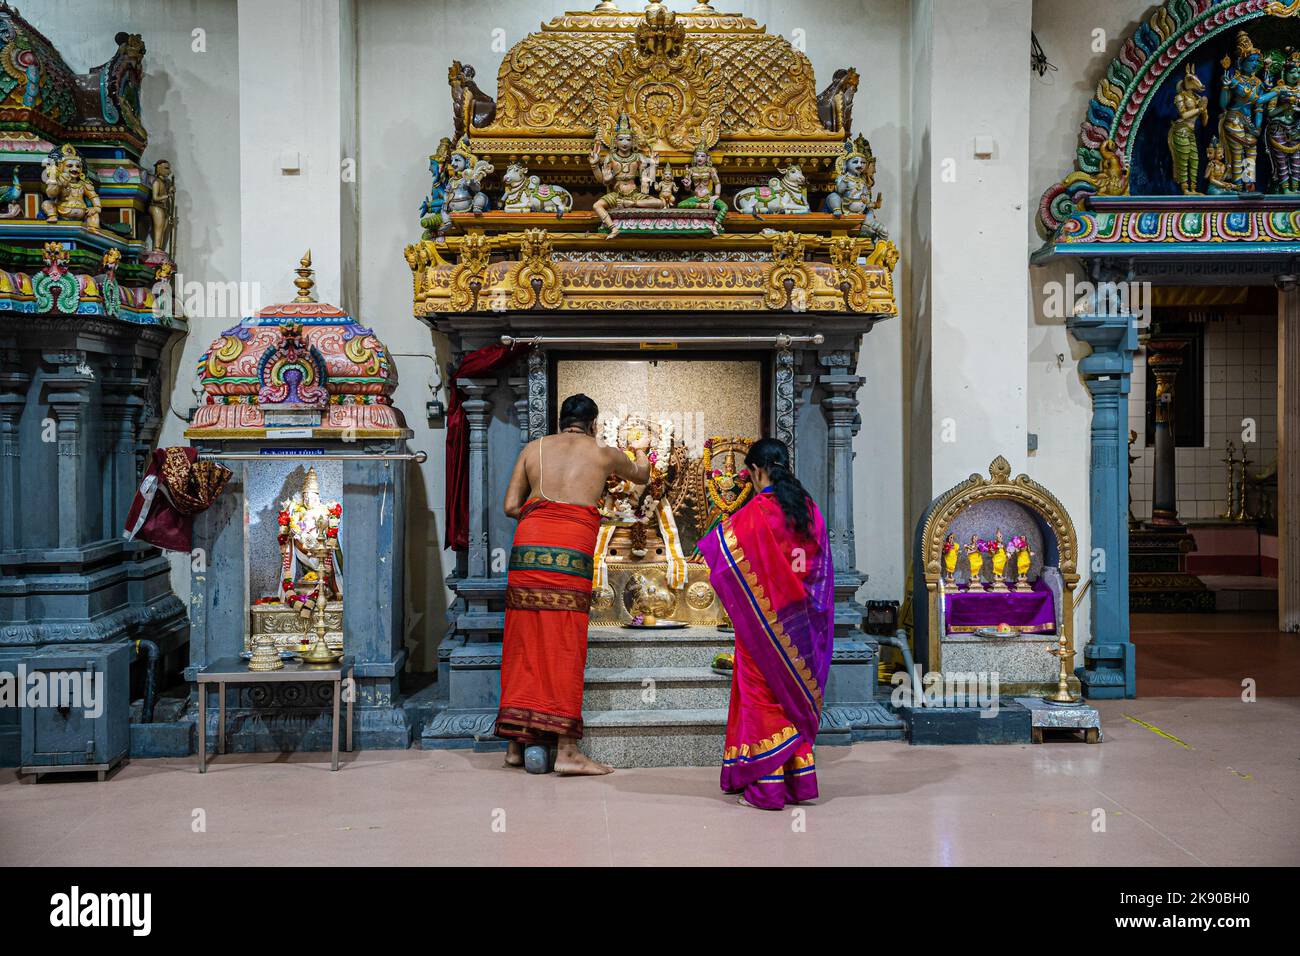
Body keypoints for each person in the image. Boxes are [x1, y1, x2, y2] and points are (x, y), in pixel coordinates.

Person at [497, 393, 651, 775]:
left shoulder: (534, 448)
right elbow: (642, 475)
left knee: (524, 640)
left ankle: (516, 745)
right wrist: (640, 450)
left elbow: (511, 506)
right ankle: (566, 750)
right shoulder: (603, 451)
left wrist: (544, 513)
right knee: (565, 642)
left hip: (528, 550)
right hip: (569, 550)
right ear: (593, 424)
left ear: (561, 419)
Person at [697, 438, 834, 810]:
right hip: (802, 621)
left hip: (763, 621)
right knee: (791, 698)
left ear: (757, 471)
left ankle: (767, 789)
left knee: (762, 698)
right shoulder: (809, 510)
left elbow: (719, 557)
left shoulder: (757, 511)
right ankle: (799, 785)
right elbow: (818, 570)